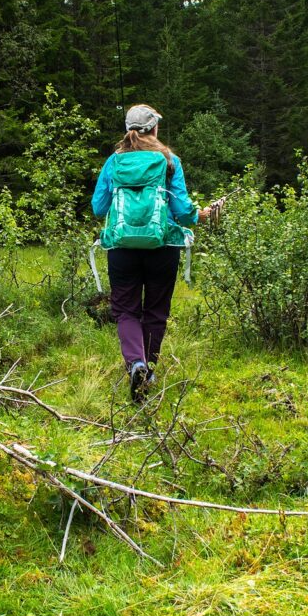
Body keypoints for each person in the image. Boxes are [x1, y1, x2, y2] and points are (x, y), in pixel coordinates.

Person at [91, 104, 215, 401]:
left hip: (122, 247)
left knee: (126, 311)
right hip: (164, 246)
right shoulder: (169, 160)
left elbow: (98, 207)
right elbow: (182, 211)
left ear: (128, 129)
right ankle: (148, 370)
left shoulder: (114, 162)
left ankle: (136, 363)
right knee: (156, 311)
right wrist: (200, 215)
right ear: (154, 128)